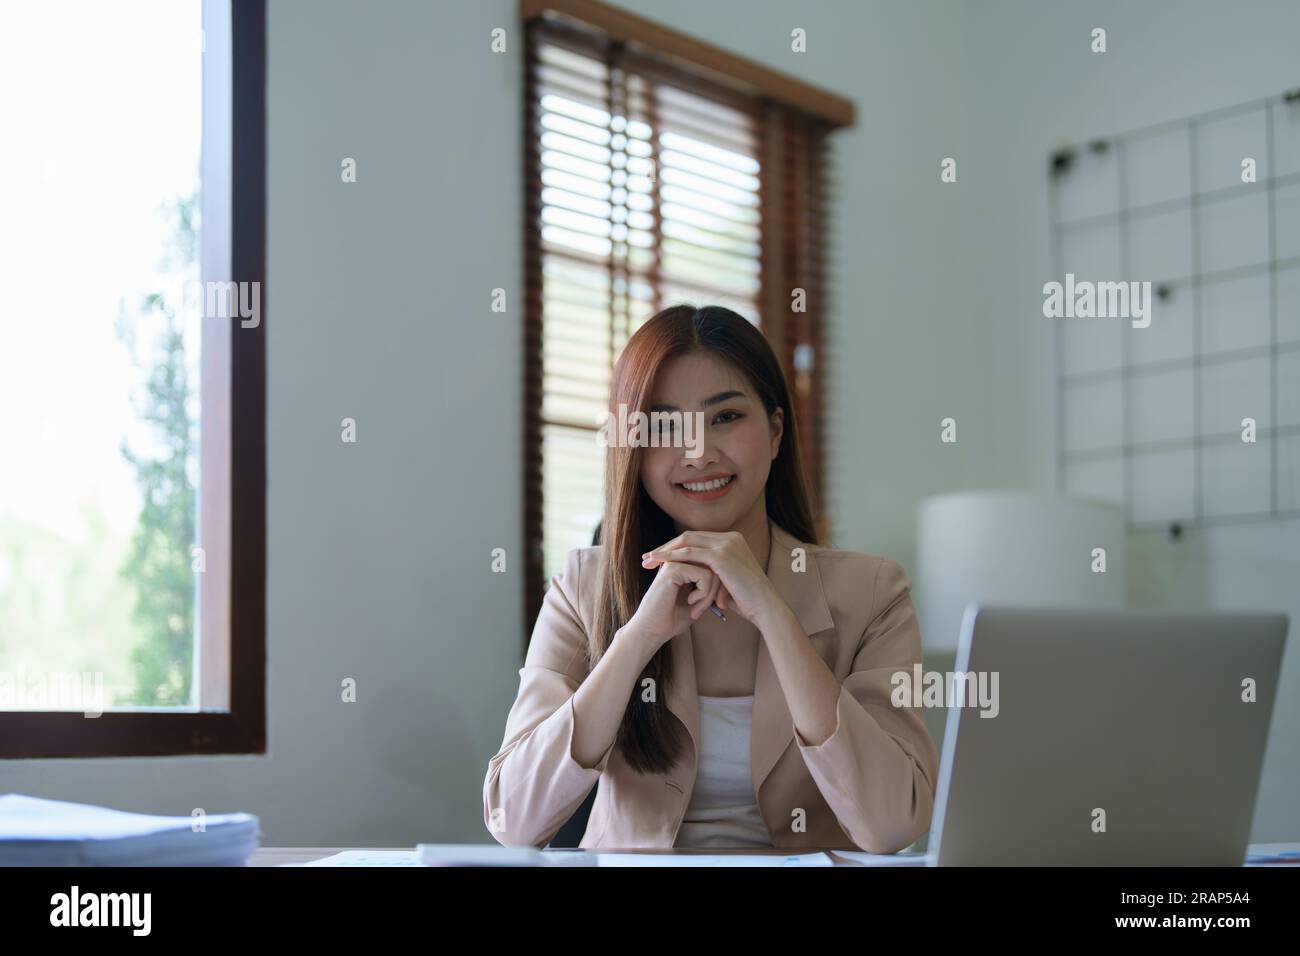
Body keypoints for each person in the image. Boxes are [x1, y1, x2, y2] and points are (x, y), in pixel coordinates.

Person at [483, 304, 939, 851]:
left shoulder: (873, 593)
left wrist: (775, 615)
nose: (697, 453)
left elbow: (891, 825)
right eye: (665, 426)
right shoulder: (584, 587)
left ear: (774, 433)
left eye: (725, 417)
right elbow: (514, 818)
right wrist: (638, 638)